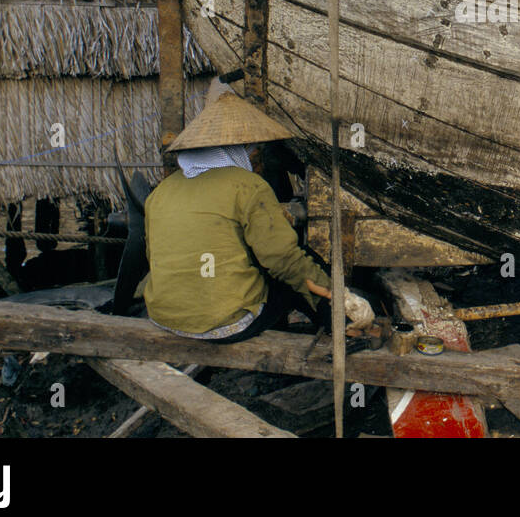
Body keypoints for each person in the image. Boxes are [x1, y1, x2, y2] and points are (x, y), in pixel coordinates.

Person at [143, 91, 372, 344]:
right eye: (251, 149)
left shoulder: (161, 191)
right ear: (235, 150)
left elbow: (154, 255)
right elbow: (283, 260)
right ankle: (342, 324)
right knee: (293, 271)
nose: (254, 155)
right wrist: (339, 296)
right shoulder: (248, 185)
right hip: (224, 323)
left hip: (164, 317)